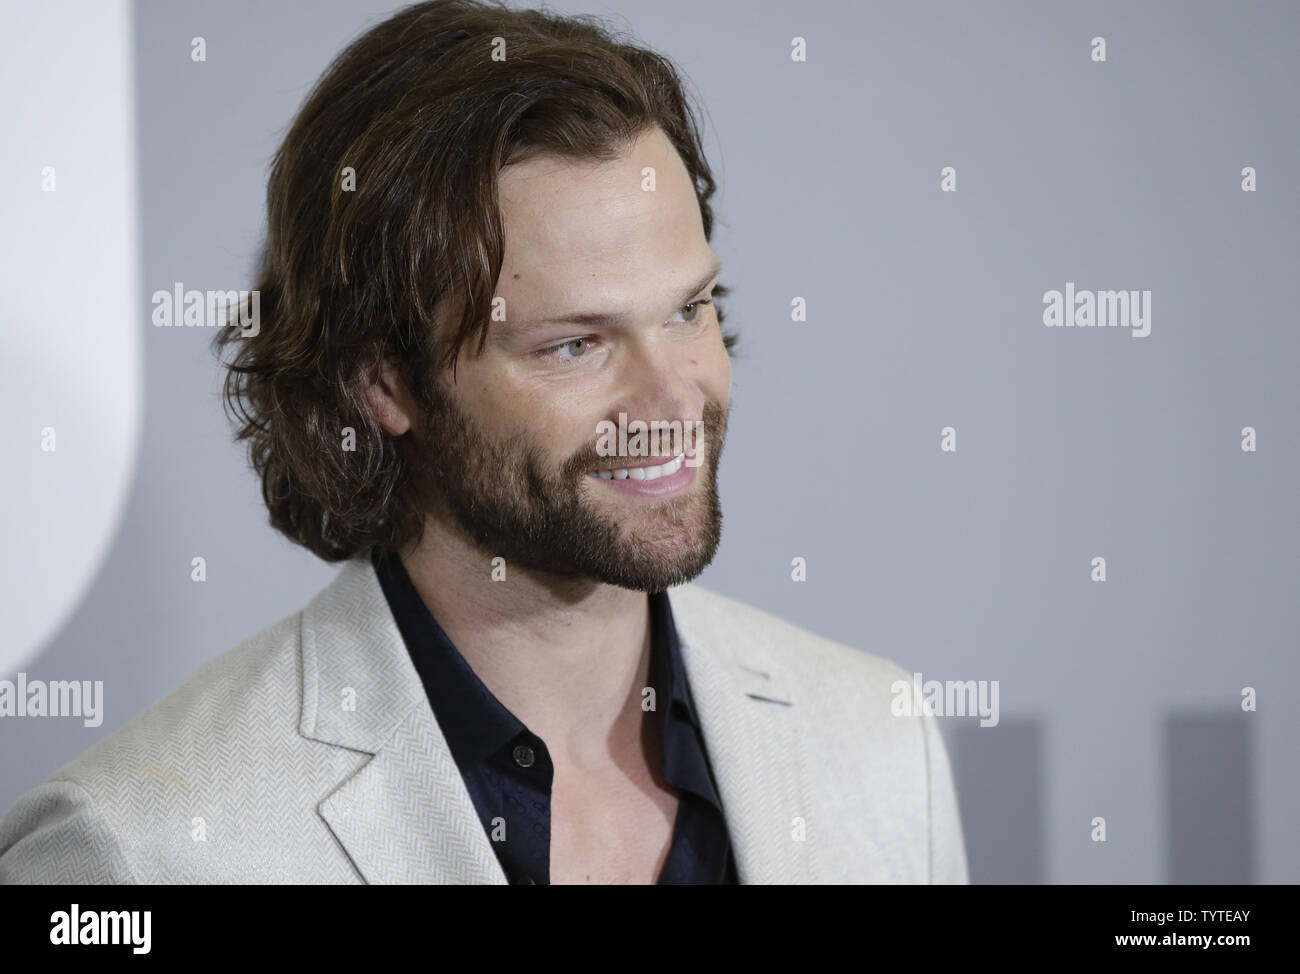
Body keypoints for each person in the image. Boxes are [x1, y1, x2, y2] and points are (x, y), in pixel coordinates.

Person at [0, 0, 968, 884]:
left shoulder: (876, 741)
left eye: (689, 310)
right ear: (382, 380)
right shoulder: (138, 848)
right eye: (576, 343)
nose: (675, 396)